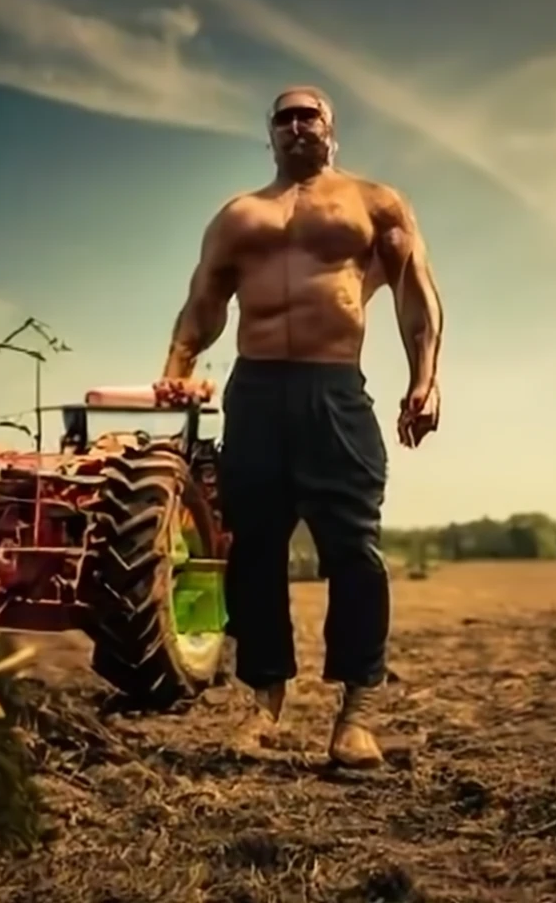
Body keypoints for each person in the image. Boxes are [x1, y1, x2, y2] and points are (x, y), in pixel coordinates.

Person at [158, 85, 443, 767]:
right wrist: (175, 365)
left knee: (353, 550)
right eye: (282, 117)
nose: (295, 125)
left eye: (307, 114)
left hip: (333, 389)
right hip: (254, 392)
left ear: (330, 127)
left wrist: (425, 379)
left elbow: (416, 293)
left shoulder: (375, 203)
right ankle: (263, 705)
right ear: (271, 134)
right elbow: (203, 301)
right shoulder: (239, 216)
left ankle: (358, 714)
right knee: (253, 550)